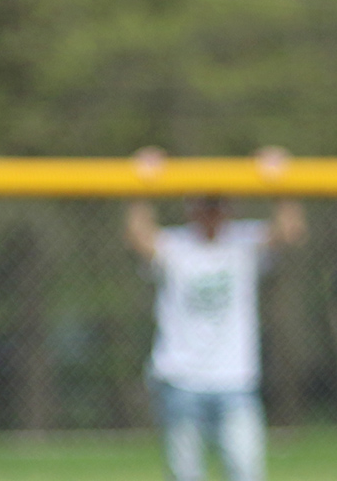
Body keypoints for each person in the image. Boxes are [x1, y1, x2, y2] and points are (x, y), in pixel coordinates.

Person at [125, 195, 306, 481]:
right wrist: (142, 189)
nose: (211, 213)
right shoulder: (176, 243)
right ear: (191, 209)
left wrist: (280, 185)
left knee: (245, 470)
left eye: (217, 205)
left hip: (235, 379)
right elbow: (139, 237)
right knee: (185, 473)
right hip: (181, 377)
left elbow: (289, 230)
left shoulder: (244, 240)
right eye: (204, 205)